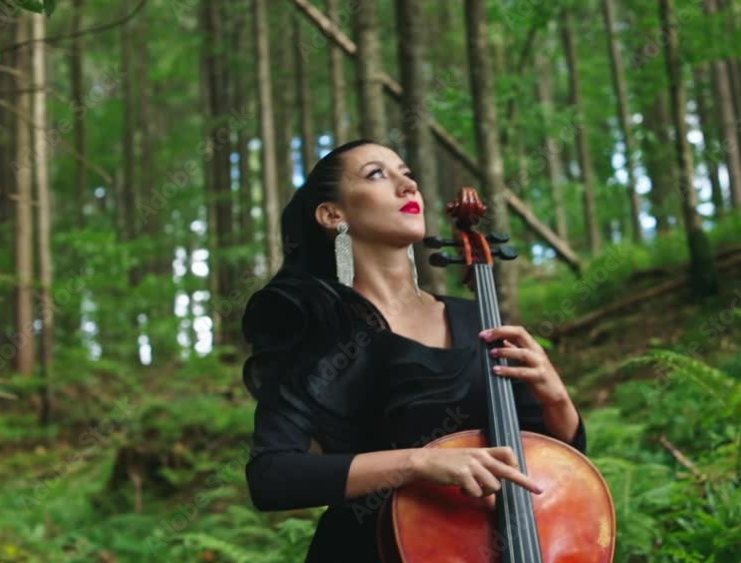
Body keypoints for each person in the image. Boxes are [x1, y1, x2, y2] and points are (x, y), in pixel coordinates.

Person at [240, 139, 587, 561]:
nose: (407, 186)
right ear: (333, 215)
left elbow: (555, 466)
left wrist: (556, 399)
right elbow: (272, 476)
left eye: (407, 173)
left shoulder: (477, 321)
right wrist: (418, 464)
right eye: (377, 174)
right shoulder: (319, 331)